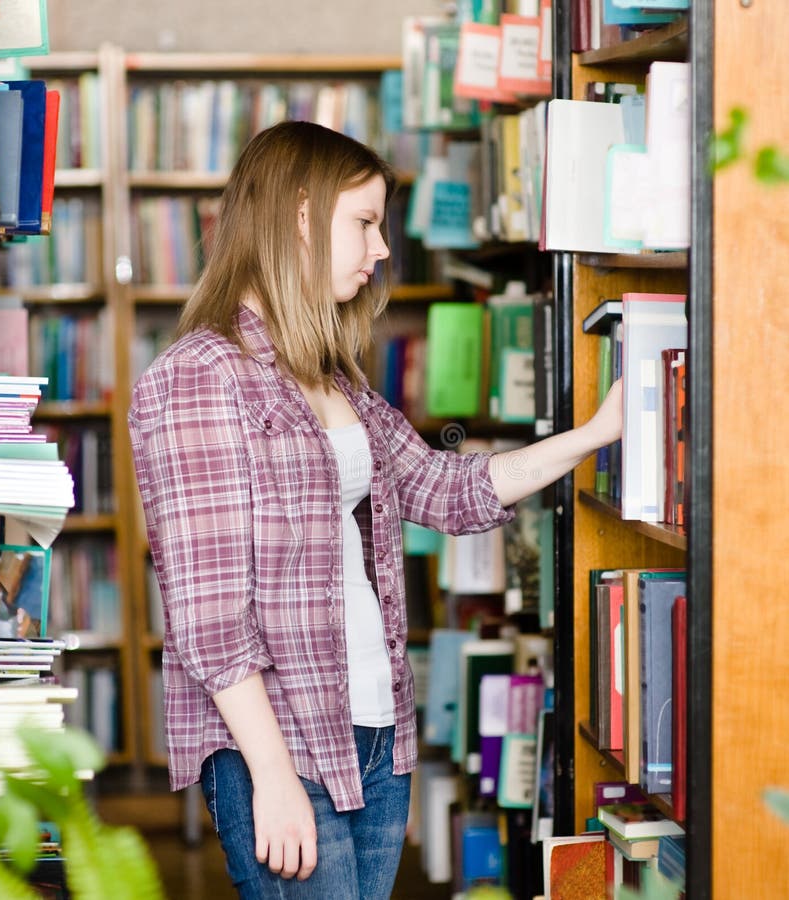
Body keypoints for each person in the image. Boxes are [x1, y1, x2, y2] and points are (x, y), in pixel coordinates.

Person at [128, 120, 622, 899]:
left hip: (376, 735)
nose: (382, 247)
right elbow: (207, 615)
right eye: (363, 222)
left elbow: (441, 488)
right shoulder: (200, 377)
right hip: (283, 743)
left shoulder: (334, 378)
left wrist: (594, 436)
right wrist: (272, 775)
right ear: (298, 217)